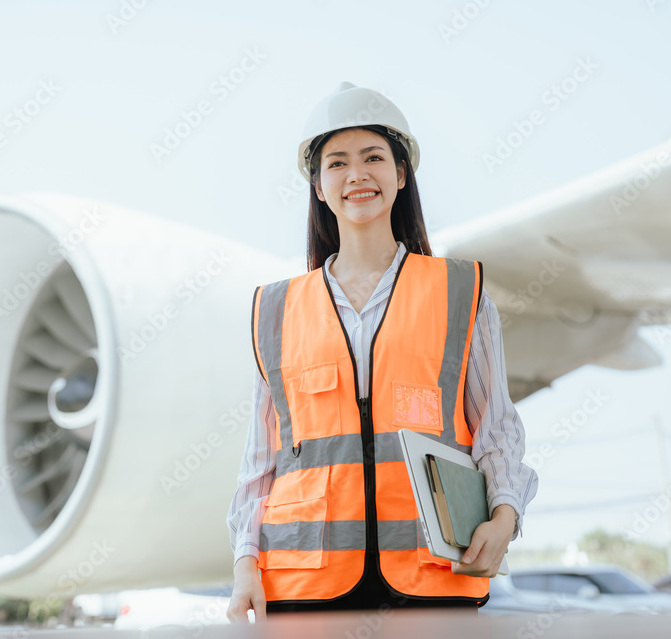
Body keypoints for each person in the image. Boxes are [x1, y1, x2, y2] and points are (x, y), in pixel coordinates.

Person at [225, 82, 538, 621]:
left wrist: (505, 516)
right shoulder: (275, 311)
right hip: (305, 587)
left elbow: (496, 427)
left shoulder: (460, 292)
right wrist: (244, 564)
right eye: (337, 163)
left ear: (400, 174)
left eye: (373, 157)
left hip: (432, 575)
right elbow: (261, 463)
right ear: (319, 186)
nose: (356, 175)